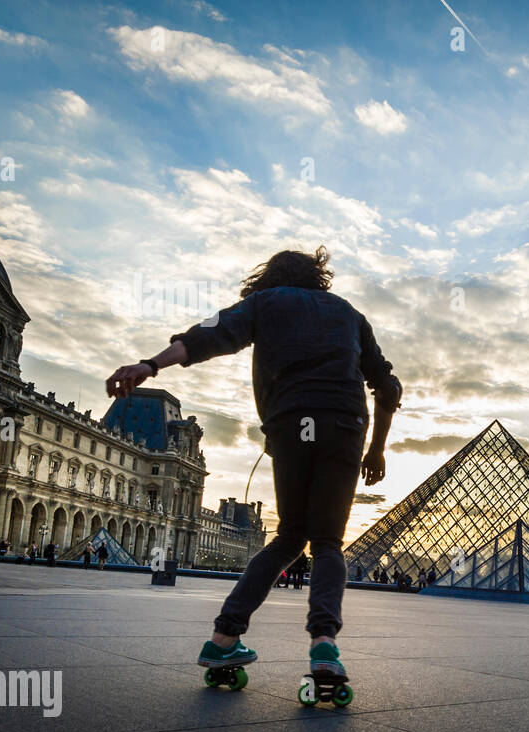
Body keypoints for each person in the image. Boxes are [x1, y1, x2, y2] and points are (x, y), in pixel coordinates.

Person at [105, 246, 402, 686]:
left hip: (290, 423)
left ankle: (224, 638)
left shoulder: (264, 303)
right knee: (326, 542)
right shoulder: (348, 313)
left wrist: (150, 365)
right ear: (317, 277)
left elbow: (208, 334)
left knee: (287, 539)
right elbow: (388, 387)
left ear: (270, 277)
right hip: (343, 423)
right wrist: (376, 448)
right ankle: (324, 645)